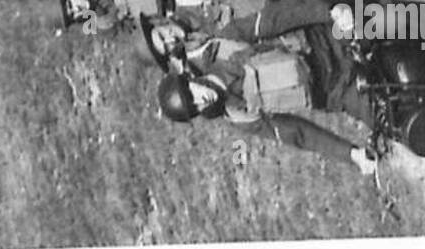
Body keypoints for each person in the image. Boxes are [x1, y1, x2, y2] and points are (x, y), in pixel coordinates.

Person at [155, 25, 373, 172]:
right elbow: (295, 132)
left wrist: (327, 12)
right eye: (195, 106)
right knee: (396, 118)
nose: (201, 100)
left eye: (191, 93)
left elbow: (276, 19)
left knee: (398, 22)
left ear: (190, 79)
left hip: (325, 41)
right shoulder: (239, 115)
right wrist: (352, 154)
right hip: (338, 92)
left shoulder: (222, 47)